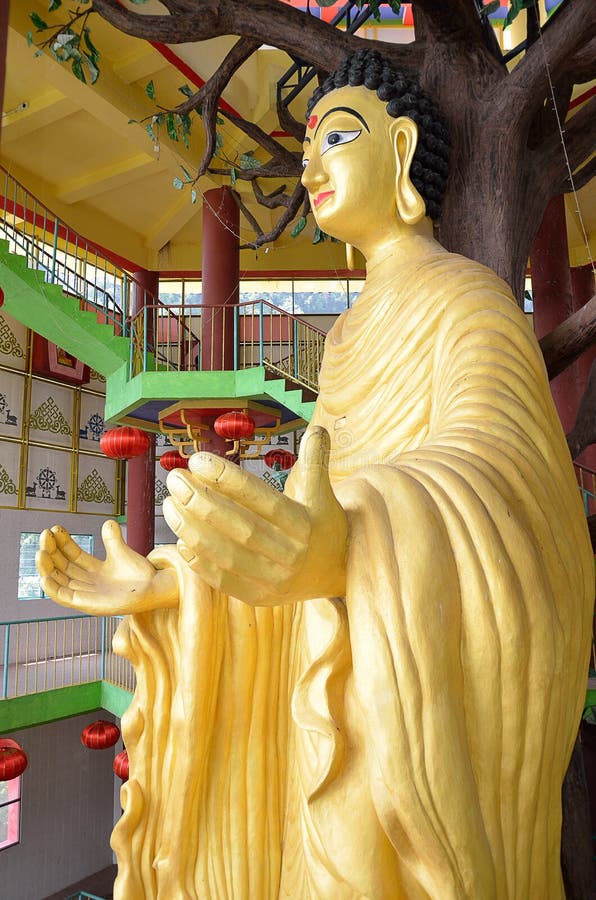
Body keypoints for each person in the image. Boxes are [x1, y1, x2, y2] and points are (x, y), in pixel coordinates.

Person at [37, 49, 594, 900]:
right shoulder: (340, 342)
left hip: (397, 690)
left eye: (337, 137)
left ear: (401, 149)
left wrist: (357, 538)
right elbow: (306, 524)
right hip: (324, 672)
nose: (310, 164)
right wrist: (177, 578)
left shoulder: (470, 302)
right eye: (303, 149)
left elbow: (509, 484)